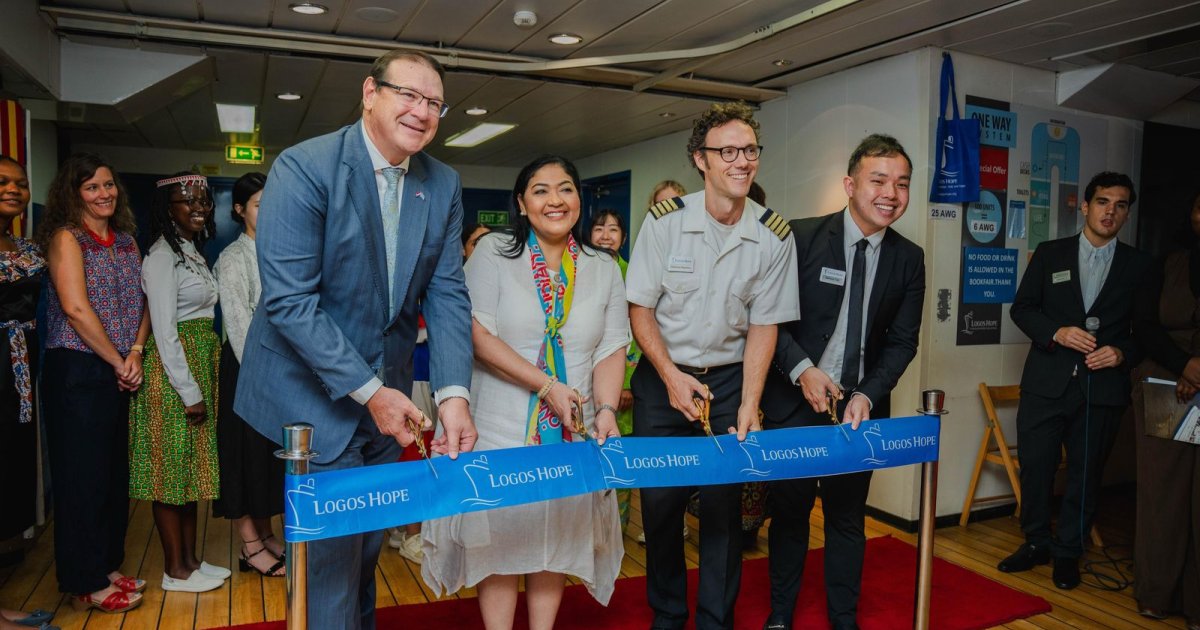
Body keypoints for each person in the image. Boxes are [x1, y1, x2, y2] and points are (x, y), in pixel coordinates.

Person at [234, 49, 477, 629]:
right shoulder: (305, 167)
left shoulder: (441, 183)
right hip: (313, 394)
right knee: (330, 570)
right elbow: (291, 302)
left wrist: (452, 397)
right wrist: (368, 392)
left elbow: (445, 295)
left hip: (386, 402)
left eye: (435, 103)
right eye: (408, 95)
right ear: (370, 93)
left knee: (364, 557)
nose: (422, 112)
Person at [423, 155, 627, 630]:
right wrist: (547, 385)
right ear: (521, 202)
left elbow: (612, 347)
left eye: (565, 189)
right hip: (499, 426)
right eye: (540, 190)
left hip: (572, 431)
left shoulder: (602, 267)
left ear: (580, 198)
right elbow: (474, 335)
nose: (554, 199)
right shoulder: (495, 252)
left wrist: (609, 410)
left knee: (554, 536)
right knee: (499, 540)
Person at [626, 101, 799, 630]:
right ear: (700, 160)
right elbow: (641, 310)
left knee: (726, 512)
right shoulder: (665, 224)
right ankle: (668, 616)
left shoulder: (774, 235)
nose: (741, 161)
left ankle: (715, 620)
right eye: (727, 151)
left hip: (728, 381)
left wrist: (749, 402)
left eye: (749, 150)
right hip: (663, 379)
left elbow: (765, 326)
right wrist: (671, 376)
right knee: (661, 509)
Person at [759, 134, 925, 630]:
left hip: (856, 412)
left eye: (901, 184)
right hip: (792, 403)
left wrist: (868, 395)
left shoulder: (908, 257)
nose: (890, 193)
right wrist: (803, 370)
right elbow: (769, 321)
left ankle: (844, 617)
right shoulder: (801, 237)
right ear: (850, 184)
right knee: (789, 515)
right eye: (878, 180)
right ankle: (781, 615)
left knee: (847, 519)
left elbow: (902, 342)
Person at [999, 171, 1152, 590]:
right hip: (1046, 383)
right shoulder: (1050, 254)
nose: (1111, 212)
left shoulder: (1140, 265)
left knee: (1085, 474)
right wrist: (1056, 332)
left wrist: (1122, 352)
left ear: (1126, 213)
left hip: (1101, 390)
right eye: (1103, 202)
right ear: (1085, 206)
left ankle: (1069, 552)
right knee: (1036, 467)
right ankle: (1035, 543)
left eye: (1121, 205)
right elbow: (1022, 309)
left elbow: (1148, 334)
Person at [38, 153, 148, 612]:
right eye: (92, 188)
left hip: (121, 368)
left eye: (108, 185)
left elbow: (145, 304)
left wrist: (136, 353)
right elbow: (75, 309)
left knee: (110, 475)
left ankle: (106, 565)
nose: (104, 194)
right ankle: (83, 578)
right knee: (81, 478)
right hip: (78, 371)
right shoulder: (68, 239)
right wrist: (116, 361)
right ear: (73, 194)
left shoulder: (126, 242)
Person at [129, 172, 227, 593]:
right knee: (170, 475)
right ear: (167, 209)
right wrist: (190, 391)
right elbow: (165, 330)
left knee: (188, 473)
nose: (199, 205)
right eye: (187, 199)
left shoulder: (191, 252)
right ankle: (175, 571)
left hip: (200, 361)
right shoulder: (159, 256)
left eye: (204, 199)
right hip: (174, 375)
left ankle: (190, 560)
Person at [1130, 189, 1200, 627]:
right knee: (1162, 493)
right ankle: (1156, 593)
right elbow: (1145, 325)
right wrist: (1185, 366)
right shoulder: (1166, 262)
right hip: (1165, 384)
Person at [212, 172, 286, 578]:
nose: (268, 210)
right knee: (242, 456)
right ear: (240, 211)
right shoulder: (233, 258)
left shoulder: (280, 251)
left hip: (280, 368)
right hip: (246, 368)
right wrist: (263, 377)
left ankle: (266, 533)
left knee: (265, 459)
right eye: (259, 204)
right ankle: (249, 544)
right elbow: (239, 327)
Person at [0, 157, 43, 553]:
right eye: (2, 181)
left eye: (21, 183)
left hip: (22, 368)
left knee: (11, 463)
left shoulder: (27, 246)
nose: (13, 189)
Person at [588, 208, 640, 532]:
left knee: (618, 459)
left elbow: (636, 337)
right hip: (581, 382)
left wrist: (626, 383)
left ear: (623, 237)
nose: (605, 236)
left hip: (620, 385)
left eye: (613, 229)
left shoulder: (632, 275)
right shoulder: (575, 269)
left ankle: (614, 532)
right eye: (598, 228)